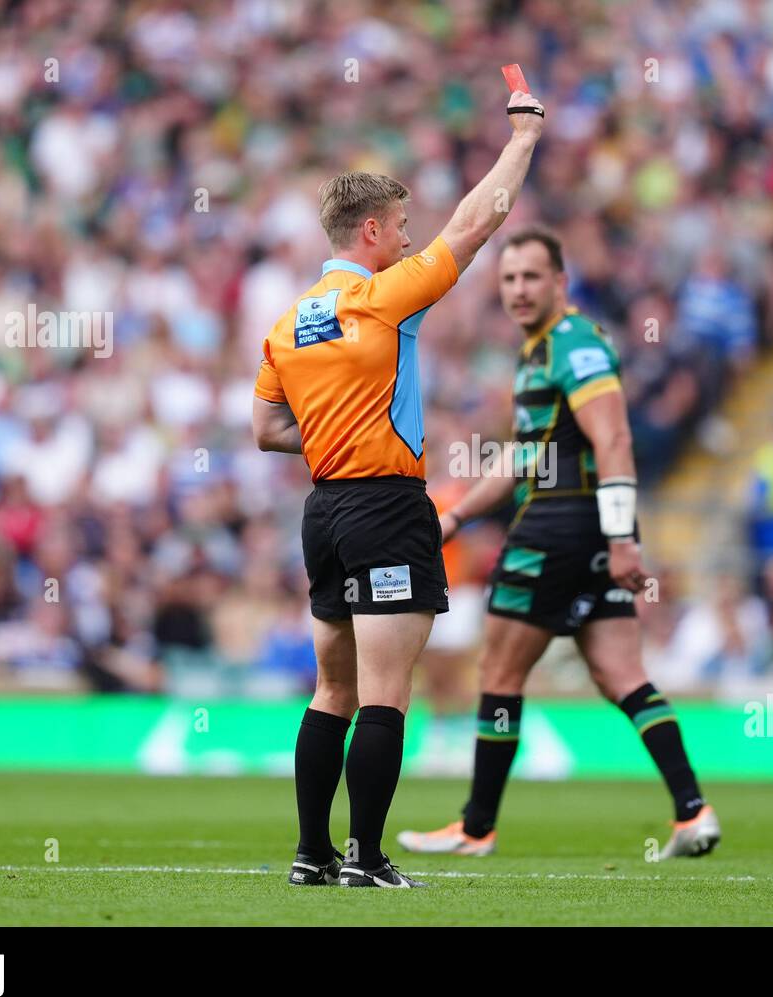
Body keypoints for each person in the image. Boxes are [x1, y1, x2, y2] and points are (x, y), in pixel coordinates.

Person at [251, 89, 546, 888]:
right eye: (402, 227)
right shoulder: (382, 297)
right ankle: (367, 858)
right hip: (385, 505)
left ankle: (311, 853)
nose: (411, 238)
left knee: (331, 688)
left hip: (324, 512)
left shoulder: (288, 322)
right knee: (386, 691)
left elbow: (267, 431)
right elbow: (479, 221)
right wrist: (522, 137)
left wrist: (332, 430)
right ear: (372, 232)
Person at [397, 226, 720, 859]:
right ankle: (692, 811)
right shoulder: (539, 351)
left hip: (558, 527)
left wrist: (625, 538)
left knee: (498, 672)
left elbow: (615, 439)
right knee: (621, 673)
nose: (518, 290)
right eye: (509, 279)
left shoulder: (574, 343)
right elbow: (524, 454)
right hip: (584, 529)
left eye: (531, 277)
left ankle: (476, 826)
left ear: (560, 283)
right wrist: (458, 517)